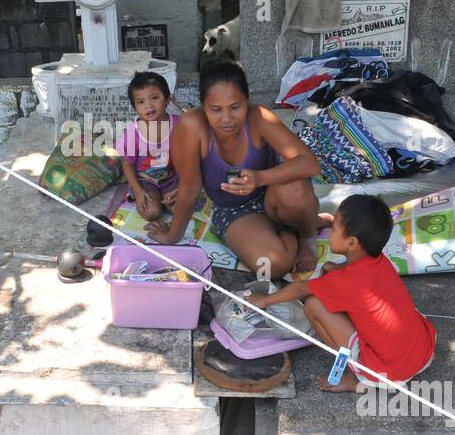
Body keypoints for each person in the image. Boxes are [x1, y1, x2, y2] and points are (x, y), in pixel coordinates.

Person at [147, 62, 324, 277]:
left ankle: (306, 234)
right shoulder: (191, 126)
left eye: (235, 107)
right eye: (216, 109)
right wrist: (173, 236)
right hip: (235, 210)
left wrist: (260, 178)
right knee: (271, 268)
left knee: (294, 189)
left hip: (272, 195)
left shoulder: (259, 117)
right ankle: (288, 228)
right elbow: (190, 188)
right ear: (203, 106)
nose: (227, 118)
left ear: (247, 101)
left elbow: (309, 163)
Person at [246, 193, 435, 392]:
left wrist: (264, 300)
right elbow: (354, 274)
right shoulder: (381, 261)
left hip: (390, 372)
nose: (329, 230)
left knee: (312, 304)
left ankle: (355, 378)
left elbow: (301, 288)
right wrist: (334, 269)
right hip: (422, 350)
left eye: (334, 227)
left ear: (352, 243)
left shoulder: (345, 282)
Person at [118, 71, 178, 222]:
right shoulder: (134, 130)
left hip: (172, 177)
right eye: (141, 102)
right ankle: (156, 198)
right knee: (152, 212)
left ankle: (168, 199)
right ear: (135, 107)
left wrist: (183, 187)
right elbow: (127, 163)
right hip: (145, 180)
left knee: (180, 210)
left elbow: (190, 157)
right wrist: (138, 191)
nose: (148, 105)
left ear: (168, 99)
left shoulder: (179, 124)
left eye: (154, 98)